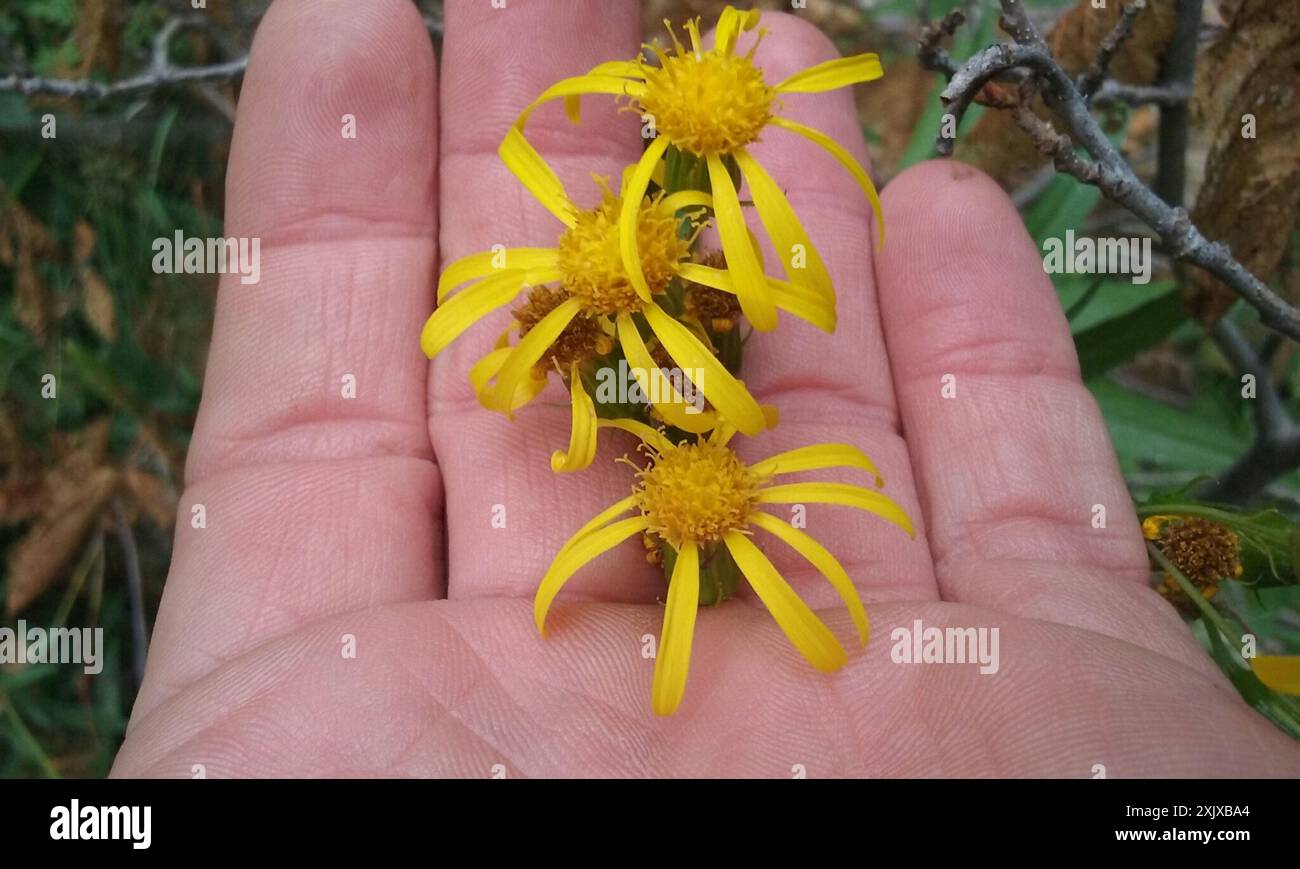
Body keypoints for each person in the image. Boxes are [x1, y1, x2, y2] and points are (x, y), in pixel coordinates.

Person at [110, 0, 1300, 777]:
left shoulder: (712, 243)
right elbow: (578, 342)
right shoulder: (625, 269)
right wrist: (610, 346)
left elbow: (724, 352)